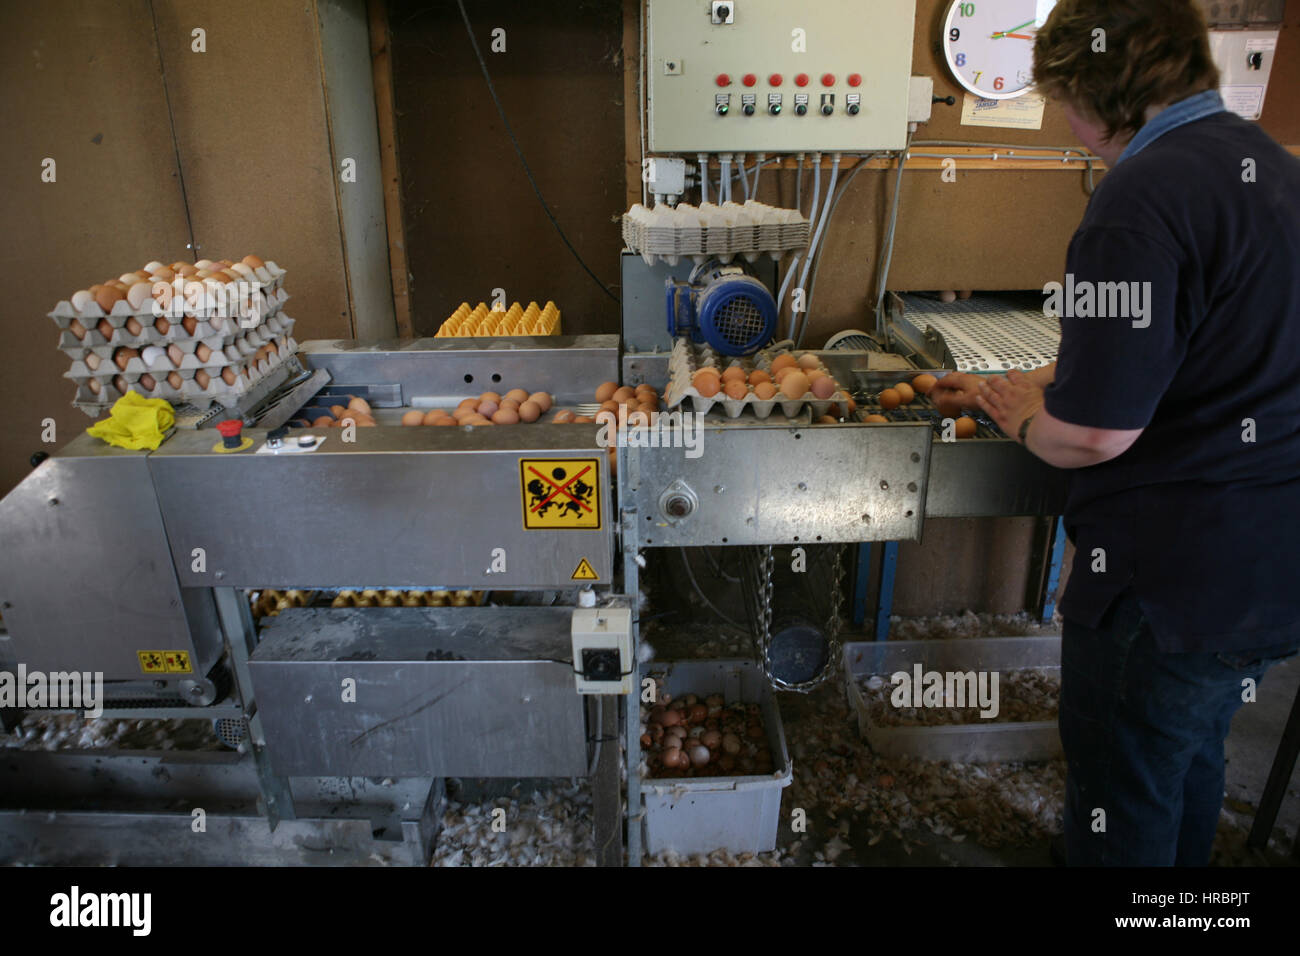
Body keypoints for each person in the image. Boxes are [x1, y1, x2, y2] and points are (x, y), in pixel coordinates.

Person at [930, 0, 1300, 866]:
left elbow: (1093, 437)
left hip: (1171, 581)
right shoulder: (1268, 168)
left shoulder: (1139, 197)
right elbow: (1209, 346)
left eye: (1063, 96)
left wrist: (1024, 414)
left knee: (1120, 787)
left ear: (1095, 93)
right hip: (1270, 566)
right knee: (1188, 755)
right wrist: (1042, 382)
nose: (1068, 121)